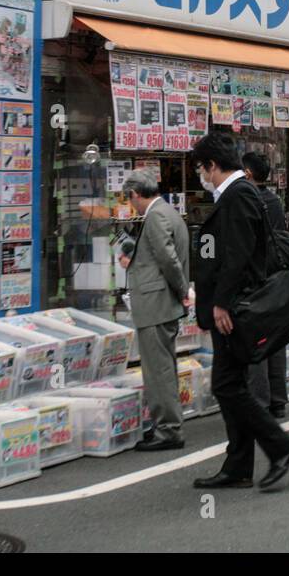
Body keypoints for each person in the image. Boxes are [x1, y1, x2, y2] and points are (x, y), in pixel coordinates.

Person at [189, 133, 289, 490]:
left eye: (201, 169)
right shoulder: (242, 194)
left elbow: (236, 255)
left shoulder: (238, 196)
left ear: (212, 165)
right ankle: (238, 464)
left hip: (235, 308)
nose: (201, 176)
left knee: (227, 384)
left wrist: (221, 301)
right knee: (230, 384)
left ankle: (278, 446)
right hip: (235, 305)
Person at [119, 172, 190, 451]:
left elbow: (168, 259)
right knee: (163, 366)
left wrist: (183, 290)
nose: (131, 204)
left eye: (130, 198)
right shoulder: (168, 213)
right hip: (163, 302)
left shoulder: (156, 216)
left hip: (156, 303)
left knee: (158, 369)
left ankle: (168, 430)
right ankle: (167, 425)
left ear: (136, 193)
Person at [241, 151, 288, 418]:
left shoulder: (247, 201)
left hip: (255, 277)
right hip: (276, 273)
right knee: (275, 338)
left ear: (247, 174)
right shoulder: (275, 200)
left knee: (257, 340)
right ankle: (278, 400)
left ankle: (259, 402)